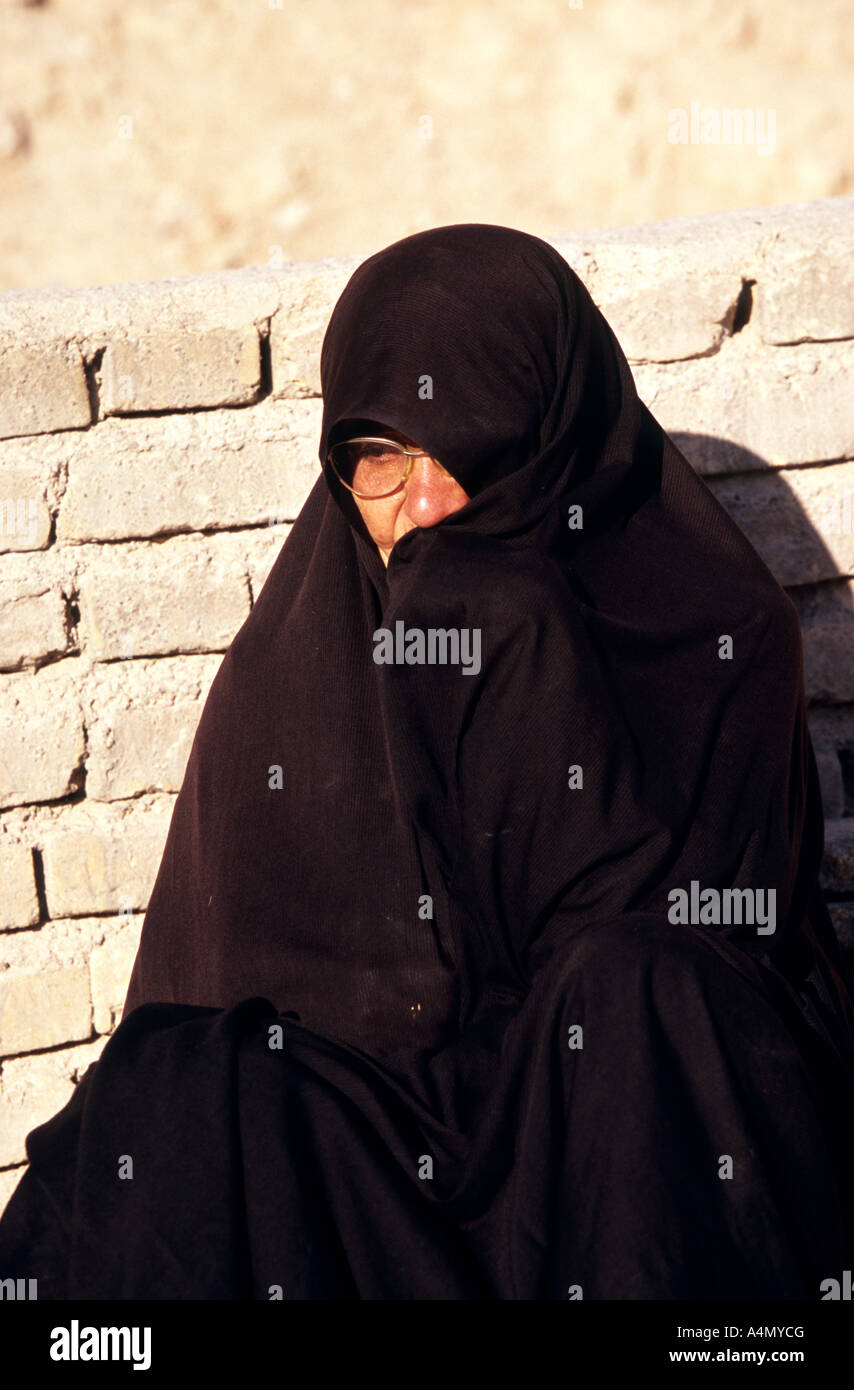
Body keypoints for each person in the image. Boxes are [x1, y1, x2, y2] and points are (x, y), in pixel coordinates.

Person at [2, 223, 854, 1300]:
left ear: (554, 446)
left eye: (472, 450)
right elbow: (273, 1027)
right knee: (181, 1084)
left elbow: (682, 995)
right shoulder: (294, 677)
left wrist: (512, 648)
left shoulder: (712, 636)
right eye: (378, 457)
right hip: (372, 1192)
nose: (425, 502)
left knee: (636, 992)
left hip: (627, 1177)